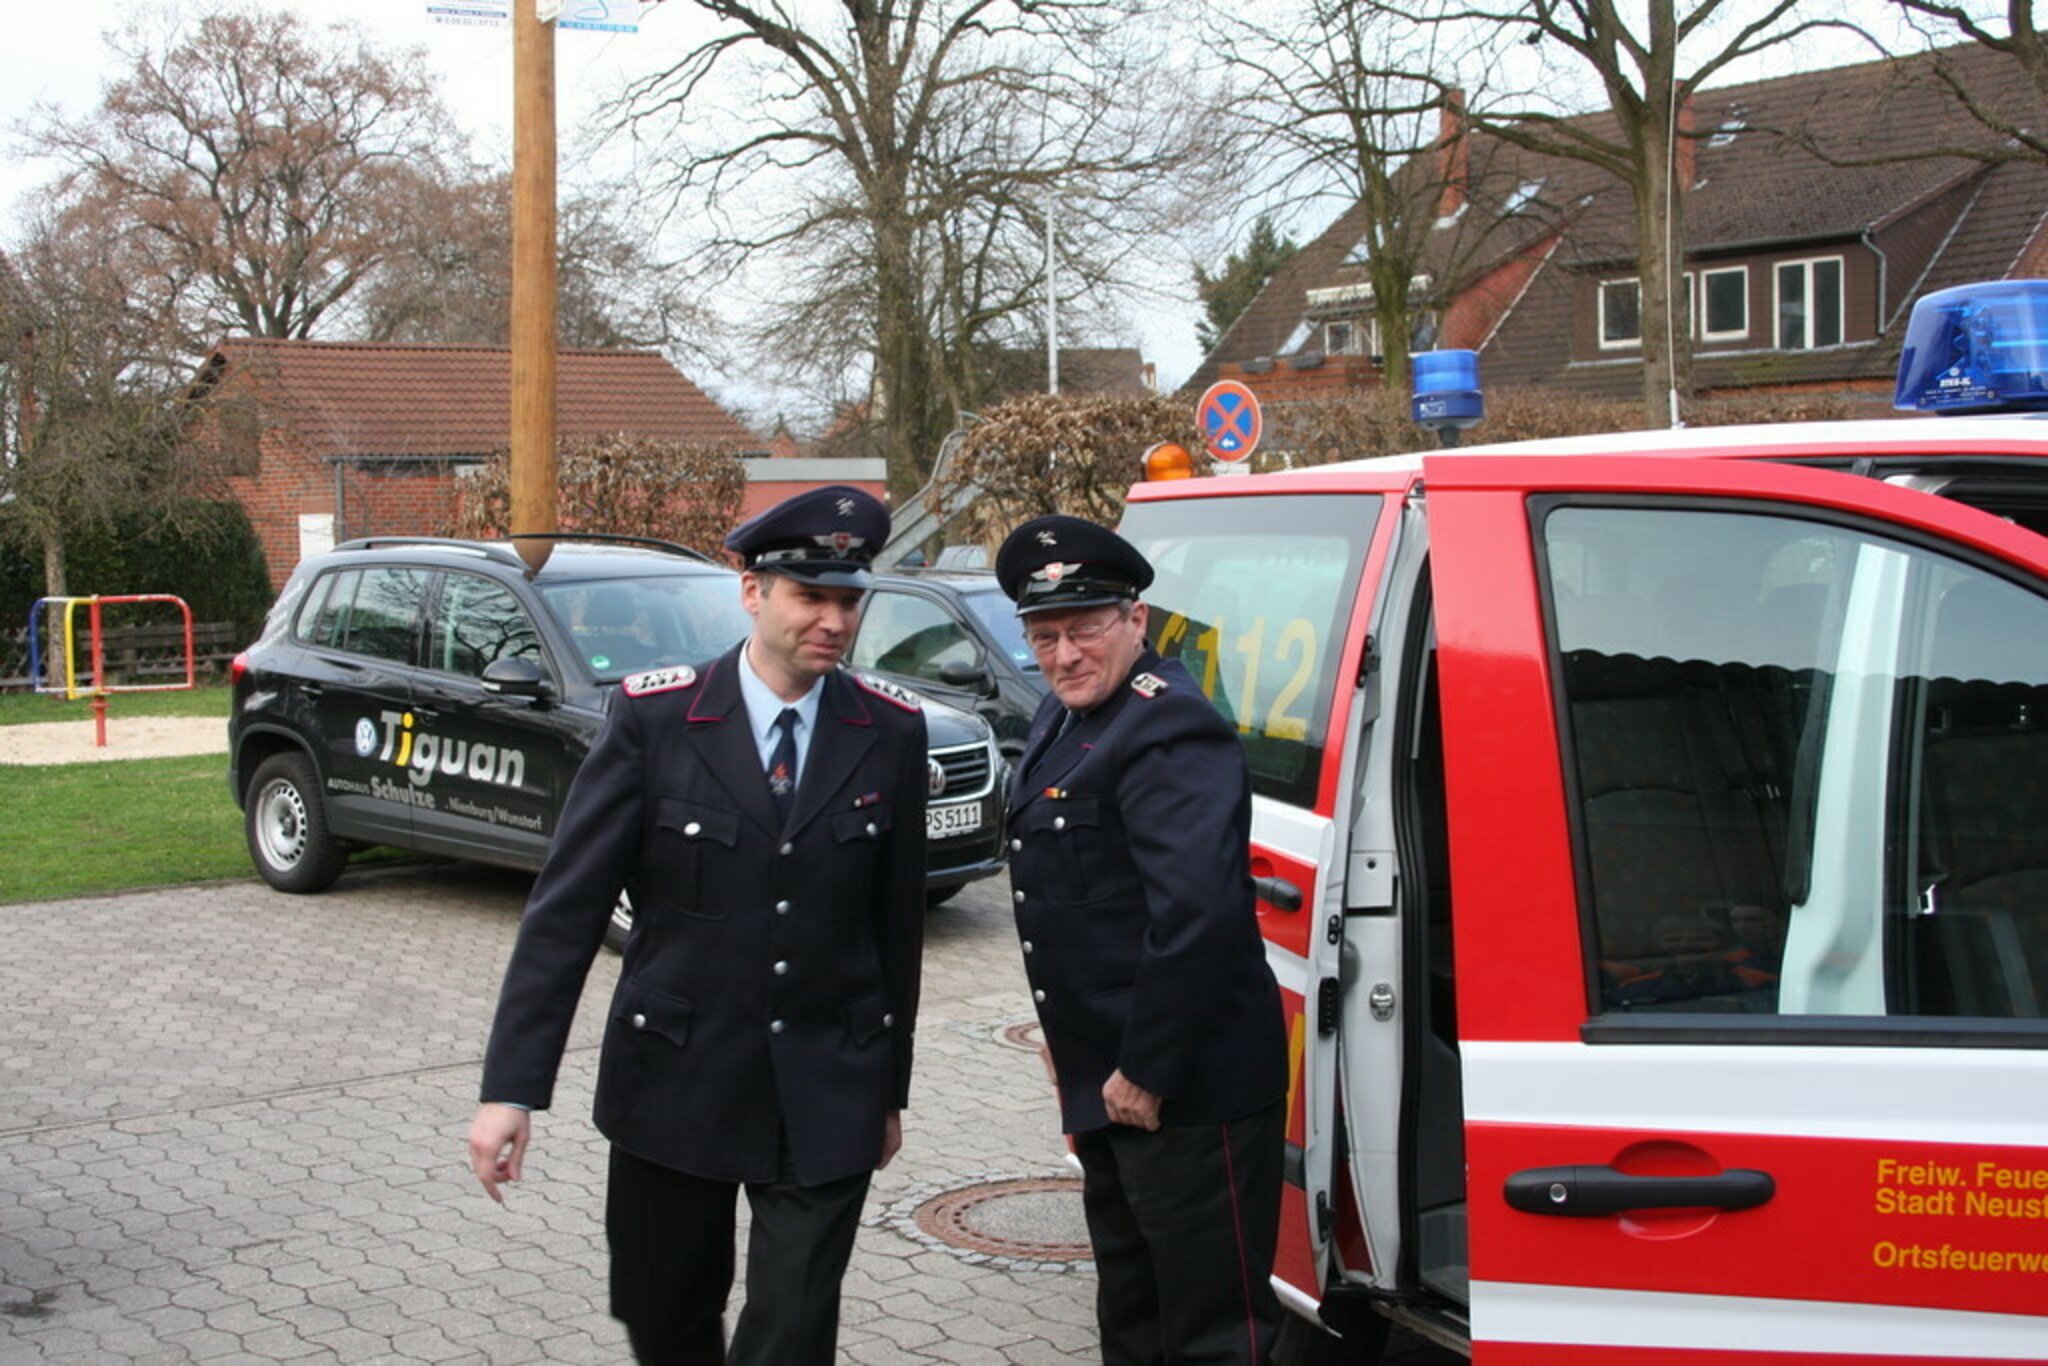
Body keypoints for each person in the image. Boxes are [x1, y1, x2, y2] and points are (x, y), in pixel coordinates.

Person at [466, 486, 929, 1365]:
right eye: (810, 597)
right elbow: (564, 914)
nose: (832, 621)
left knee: (791, 1332)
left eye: (847, 601)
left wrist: (888, 1091)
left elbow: (894, 928)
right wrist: (509, 1089)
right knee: (666, 1317)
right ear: (752, 593)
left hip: (828, 1081)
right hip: (676, 1079)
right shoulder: (656, 718)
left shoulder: (891, 733)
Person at [995, 513, 1288, 1365]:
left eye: (1084, 629)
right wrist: (1077, 1052)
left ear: (1137, 621)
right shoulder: (1066, 718)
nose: (1063, 655)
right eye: (1044, 635)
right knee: (1133, 1315)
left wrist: (1147, 1069)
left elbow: (1195, 915)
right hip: (1112, 1080)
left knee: (1211, 1332)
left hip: (1185, 1089)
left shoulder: (1167, 726)